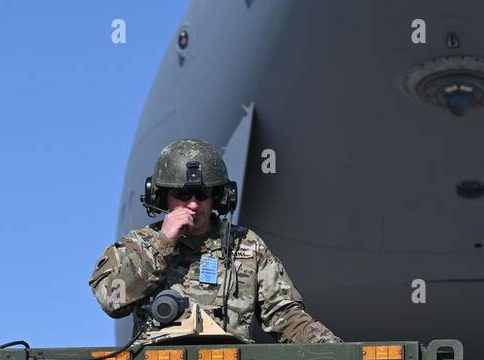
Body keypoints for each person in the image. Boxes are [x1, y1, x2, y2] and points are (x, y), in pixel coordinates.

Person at [88, 138, 340, 346]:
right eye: (182, 194)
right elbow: (111, 300)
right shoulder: (139, 244)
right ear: (161, 196)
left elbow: (286, 316)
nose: (194, 204)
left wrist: (336, 351)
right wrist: (162, 242)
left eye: (203, 194)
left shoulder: (246, 246)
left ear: (219, 197)